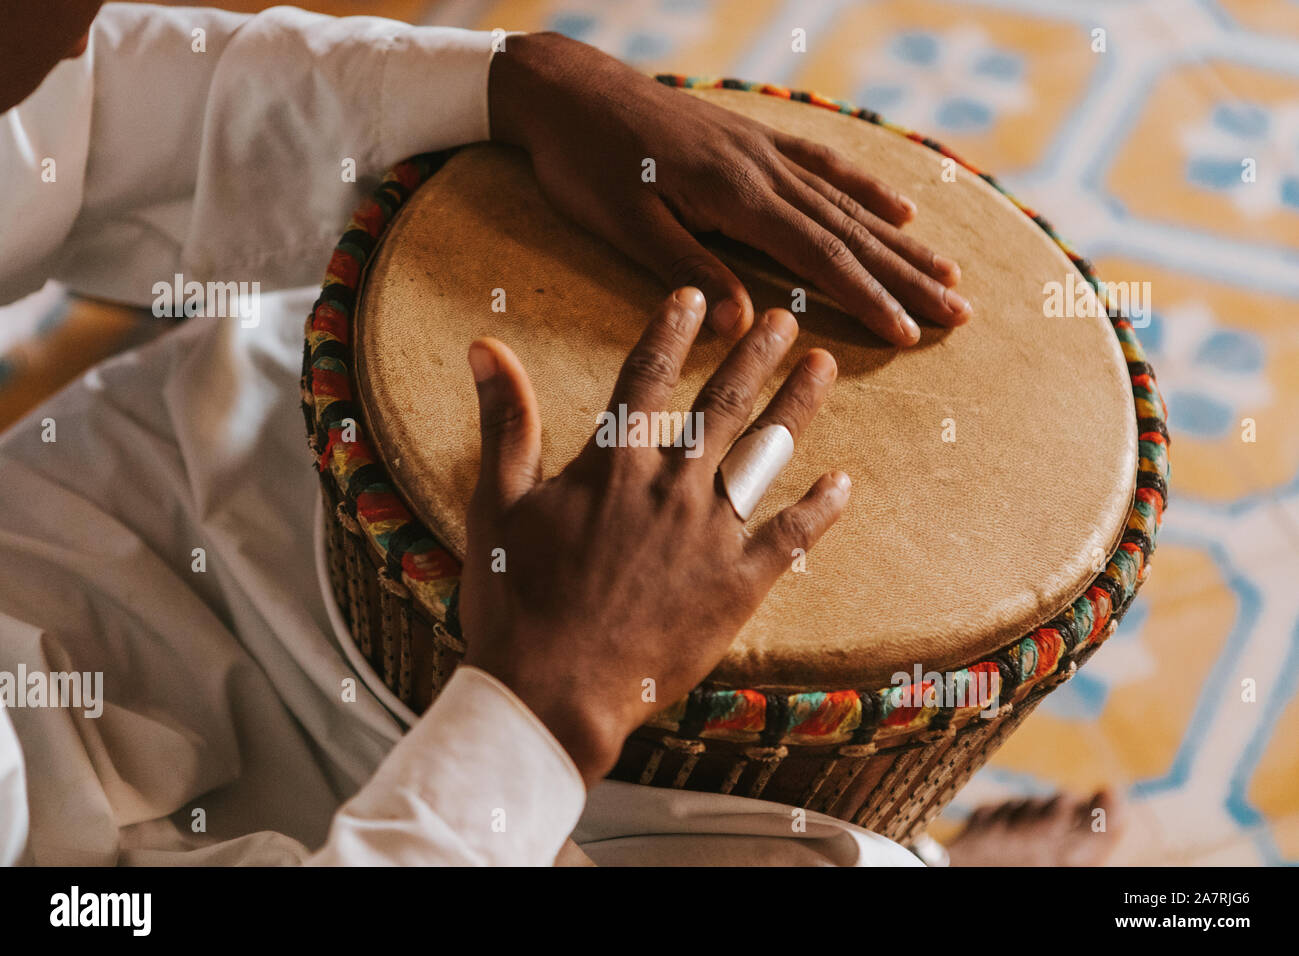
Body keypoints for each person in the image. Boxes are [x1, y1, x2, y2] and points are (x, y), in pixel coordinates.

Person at [0, 1, 1115, 866]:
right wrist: (547, 707)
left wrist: (505, 85)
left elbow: (66, 113)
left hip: (90, 525)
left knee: (324, 365)